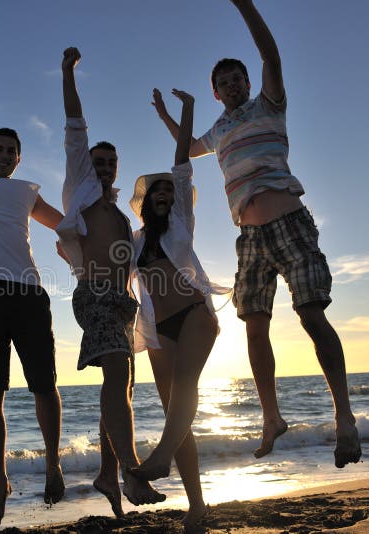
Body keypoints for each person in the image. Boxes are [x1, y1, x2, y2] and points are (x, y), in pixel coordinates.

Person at [152, 0, 360, 467]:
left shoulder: (269, 104)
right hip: (248, 238)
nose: (231, 85)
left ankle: (344, 416)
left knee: (311, 316)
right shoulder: (219, 128)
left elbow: (272, 56)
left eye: (237, 78)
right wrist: (169, 113)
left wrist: (243, 6)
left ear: (248, 82)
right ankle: (272, 417)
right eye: (222, 82)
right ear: (215, 93)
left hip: (288, 221)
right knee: (253, 324)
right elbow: (186, 147)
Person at [0, 44, 66, 529]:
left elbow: (64, 227)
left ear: (18, 159)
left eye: (9, 152)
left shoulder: (25, 191)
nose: (2, 156)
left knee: (45, 384)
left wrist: (104, 248)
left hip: (27, 294)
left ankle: (53, 462)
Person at [56, 47, 165, 518]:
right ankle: (132, 471)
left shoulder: (121, 216)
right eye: (97, 162)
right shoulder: (81, 195)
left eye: (109, 164)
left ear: (117, 170)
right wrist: (68, 73)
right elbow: (75, 129)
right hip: (92, 294)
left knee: (121, 389)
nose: (102, 169)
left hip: (123, 305)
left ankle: (106, 472)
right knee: (118, 376)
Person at [128, 88, 229, 531]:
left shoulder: (182, 221)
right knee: (176, 415)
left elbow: (182, 165)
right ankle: (197, 506)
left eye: (171, 188)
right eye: (159, 190)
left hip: (194, 314)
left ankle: (160, 459)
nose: (167, 191)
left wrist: (184, 112)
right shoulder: (133, 242)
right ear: (147, 199)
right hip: (157, 329)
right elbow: (105, 270)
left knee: (186, 388)